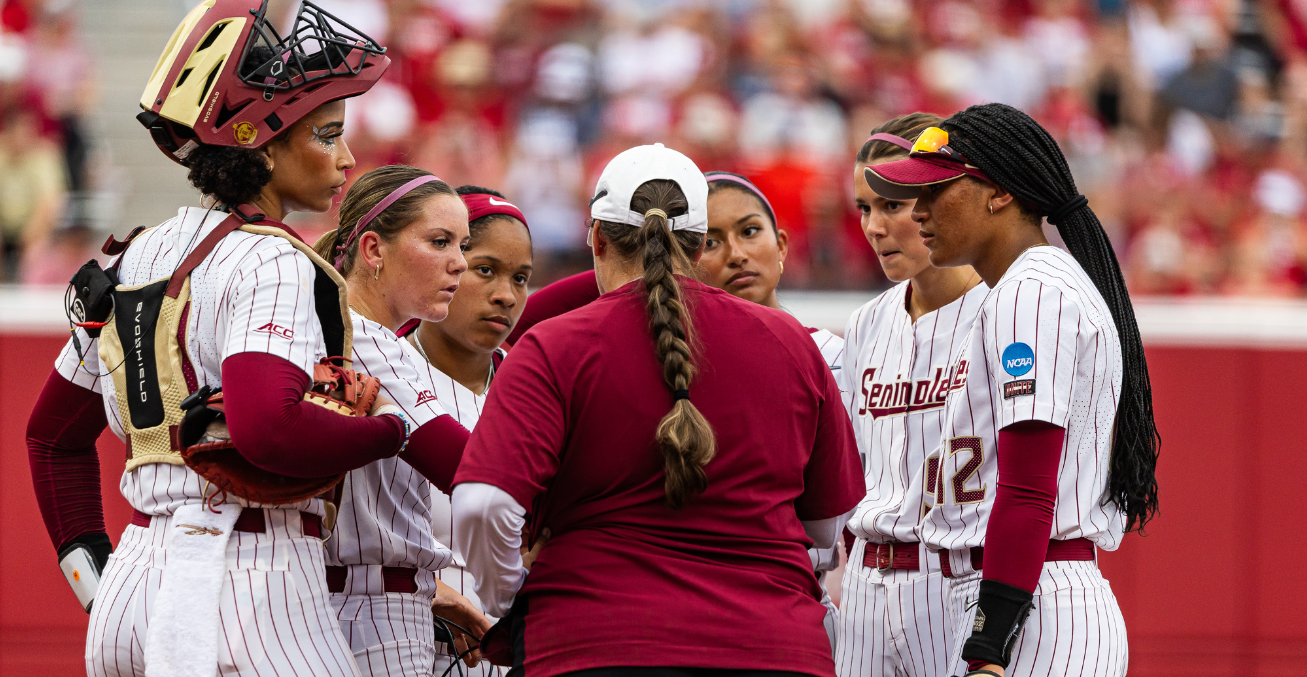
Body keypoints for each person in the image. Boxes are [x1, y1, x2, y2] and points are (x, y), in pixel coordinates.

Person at [24, 2, 421, 675]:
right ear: (262, 148)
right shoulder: (272, 257)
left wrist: (89, 565)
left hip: (135, 575)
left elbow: (50, 434)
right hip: (246, 575)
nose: (346, 156)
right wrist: (391, 428)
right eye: (326, 134)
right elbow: (268, 429)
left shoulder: (131, 254)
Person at [450, 143, 864, 677]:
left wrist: (509, 595)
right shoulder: (789, 339)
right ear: (697, 243)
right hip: (775, 644)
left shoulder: (554, 345)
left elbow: (484, 505)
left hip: (593, 640)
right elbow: (827, 524)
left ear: (597, 238)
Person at [864, 102, 1160, 677]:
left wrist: (988, 646)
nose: (917, 211)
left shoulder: (1030, 292)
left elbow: (1028, 489)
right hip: (1028, 589)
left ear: (997, 193)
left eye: (936, 191)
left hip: (1034, 603)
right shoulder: (1031, 285)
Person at [310, 166, 493, 676]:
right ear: (373, 250)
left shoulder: (352, 330)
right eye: (440, 242)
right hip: (368, 615)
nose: (460, 262)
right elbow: (471, 469)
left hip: (350, 597)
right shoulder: (364, 337)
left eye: (462, 244)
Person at [834, 113, 985, 677]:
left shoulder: (1004, 310)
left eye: (891, 205)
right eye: (864, 209)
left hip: (963, 580)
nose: (874, 227)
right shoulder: (868, 323)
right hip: (869, 584)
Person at [694, 169, 847, 647]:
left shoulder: (838, 357)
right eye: (710, 241)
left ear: (781, 244)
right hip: (697, 601)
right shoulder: (678, 367)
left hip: (804, 598)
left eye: (749, 231)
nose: (737, 253)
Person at [410, 184, 533, 677]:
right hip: (399, 644)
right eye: (486, 270)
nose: (506, 295)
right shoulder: (378, 374)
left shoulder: (542, 386)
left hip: (515, 656)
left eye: (521, 278)